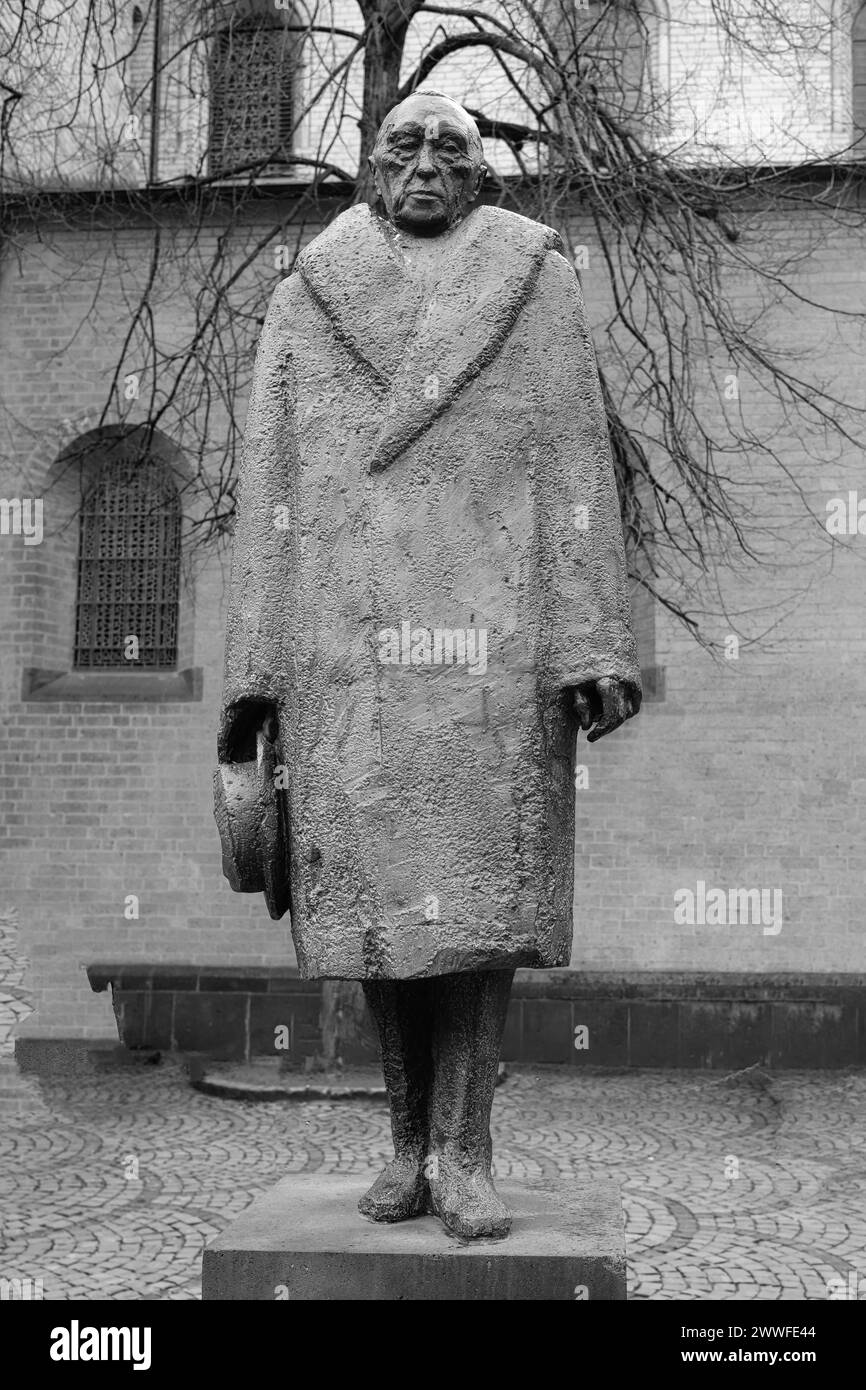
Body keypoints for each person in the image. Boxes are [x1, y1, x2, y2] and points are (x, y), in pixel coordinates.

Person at [216, 91, 641, 1240]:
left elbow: (573, 464)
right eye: (401, 147)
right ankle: (403, 1143)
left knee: (476, 916)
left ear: (480, 174)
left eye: (448, 150)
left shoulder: (534, 282)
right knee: (372, 918)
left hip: (493, 652)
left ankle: (465, 1150)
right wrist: (254, 671)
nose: (423, 166)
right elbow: (271, 489)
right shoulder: (305, 296)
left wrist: (592, 641)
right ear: (371, 169)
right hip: (346, 655)